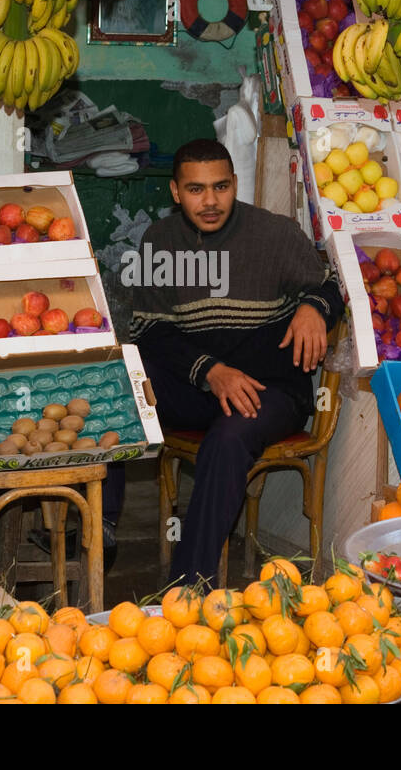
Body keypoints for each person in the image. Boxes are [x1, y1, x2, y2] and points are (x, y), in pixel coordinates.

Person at [102, 138, 345, 586]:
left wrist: (315, 306)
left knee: (229, 438)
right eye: (196, 190)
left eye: (221, 187)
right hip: (199, 385)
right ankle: (102, 527)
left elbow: (332, 286)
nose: (210, 201)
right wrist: (211, 371)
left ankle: (188, 588)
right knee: (120, 379)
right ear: (175, 192)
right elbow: (152, 332)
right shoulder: (160, 241)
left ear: (234, 185)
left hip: (269, 389)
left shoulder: (274, 234)